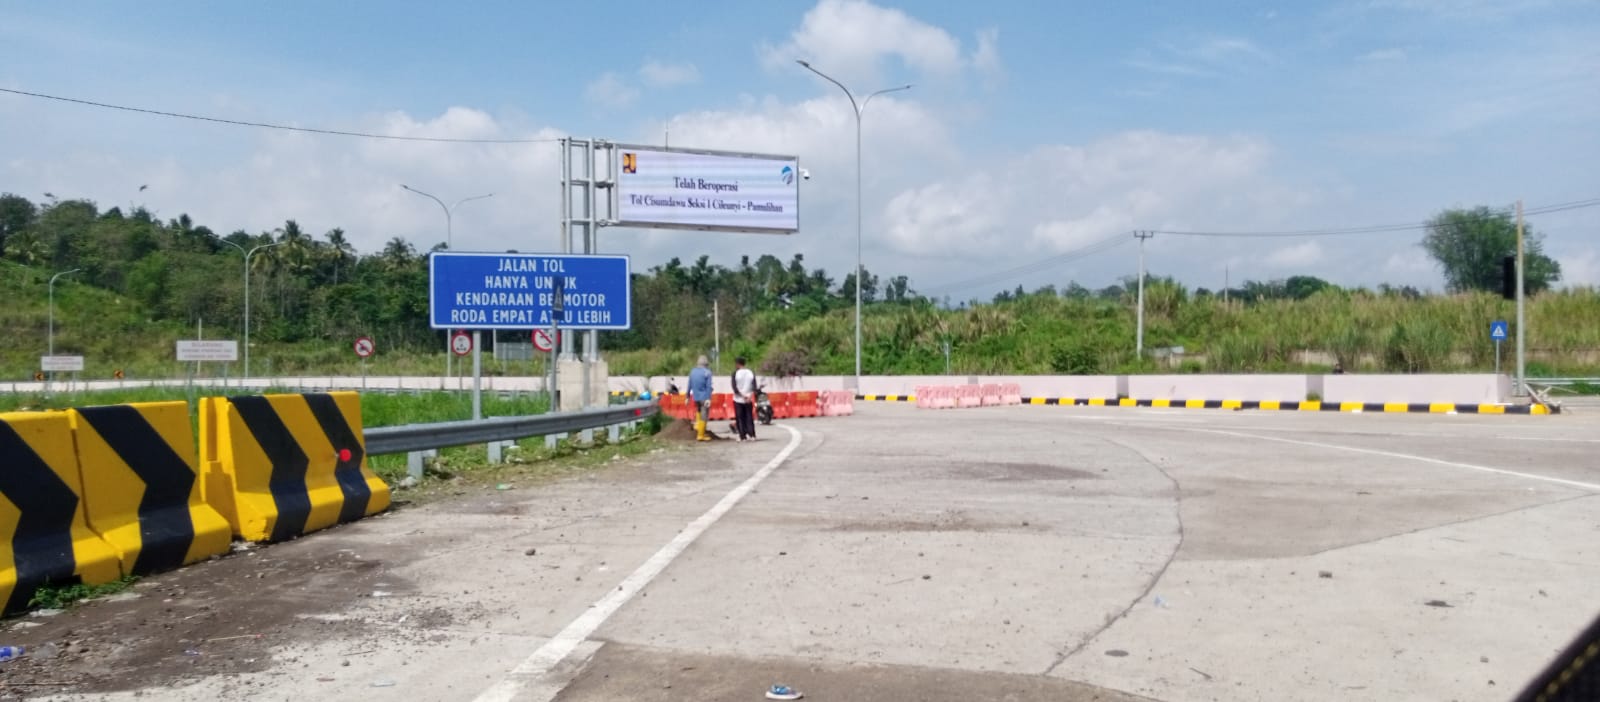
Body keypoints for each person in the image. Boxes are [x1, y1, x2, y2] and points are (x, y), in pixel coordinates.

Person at [687, 357, 713, 442]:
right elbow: (708, 387)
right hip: (704, 397)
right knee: (704, 415)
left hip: (696, 397)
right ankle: (700, 435)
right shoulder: (707, 372)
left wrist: (687, 396)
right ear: (706, 364)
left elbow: (689, 385)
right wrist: (708, 398)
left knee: (698, 412)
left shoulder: (692, 372)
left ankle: (698, 428)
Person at [732, 356, 756, 441]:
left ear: (738, 364)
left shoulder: (735, 373)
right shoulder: (750, 372)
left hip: (738, 399)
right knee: (749, 417)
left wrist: (743, 396)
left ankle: (742, 436)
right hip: (749, 399)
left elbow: (735, 388)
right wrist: (749, 396)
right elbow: (754, 386)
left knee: (740, 418)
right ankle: (752, 435)